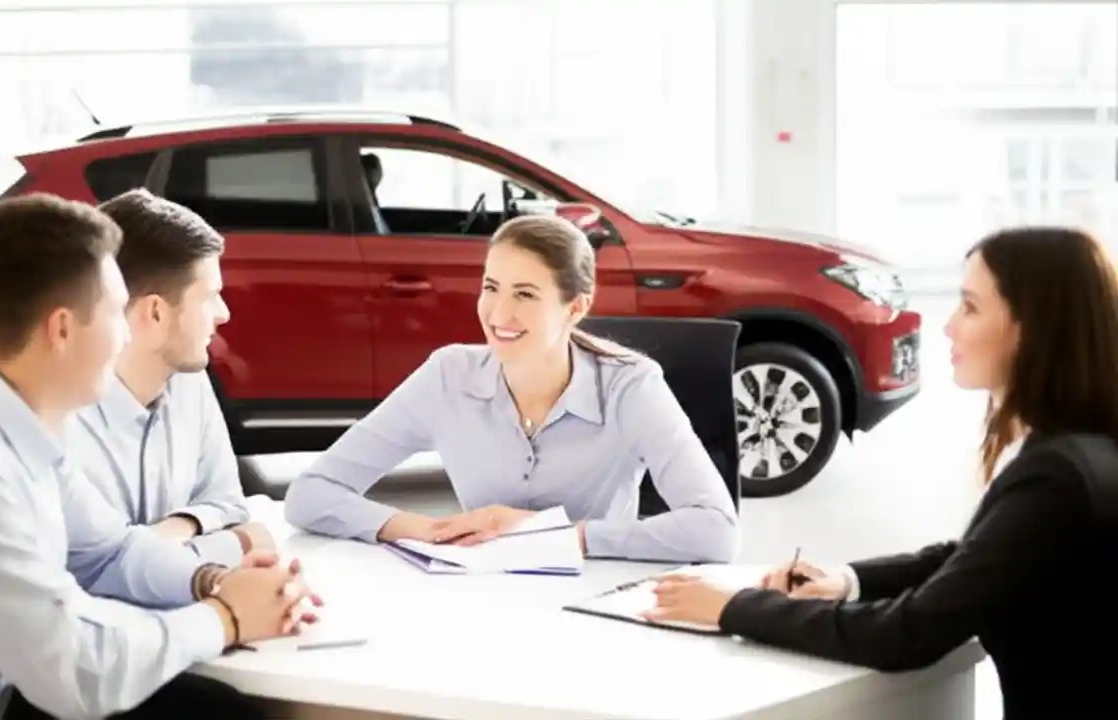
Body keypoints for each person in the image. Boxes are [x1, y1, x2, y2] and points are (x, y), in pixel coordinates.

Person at [0, 193, 318, 720]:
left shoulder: (21, 429)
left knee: (222, 711)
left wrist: (214, 581)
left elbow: (109, 552)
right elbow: (77, 675)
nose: (125, 337)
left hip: (7, 695)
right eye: (116, 312)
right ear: (62, 329)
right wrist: (226, 617)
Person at [643, 226, 1118, 719]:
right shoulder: (1082, 452)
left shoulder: (1057, 477)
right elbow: (975, 560)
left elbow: (907, 634)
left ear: (1033, 329)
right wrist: (847, 581)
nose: (949, 326)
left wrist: (734, 606)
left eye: (971, 307)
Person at [285, 214, 739, 563]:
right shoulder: (448, 376)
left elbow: (716, 530)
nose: (499, 314)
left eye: (525, 294)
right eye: (491, 287)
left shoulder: (631, 387)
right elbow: (310, 494)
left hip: (596, 601)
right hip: (485, 600)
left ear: (575, 308)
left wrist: (552, 534)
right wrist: (424, 530)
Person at [69, 189, 270, 568]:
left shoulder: (187, 379)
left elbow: (228, 504)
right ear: (156, 314)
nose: (223, 313)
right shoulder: (59, 420)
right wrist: (237, 545)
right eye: (210, 296)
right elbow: (102, 575)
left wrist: (179, 527)